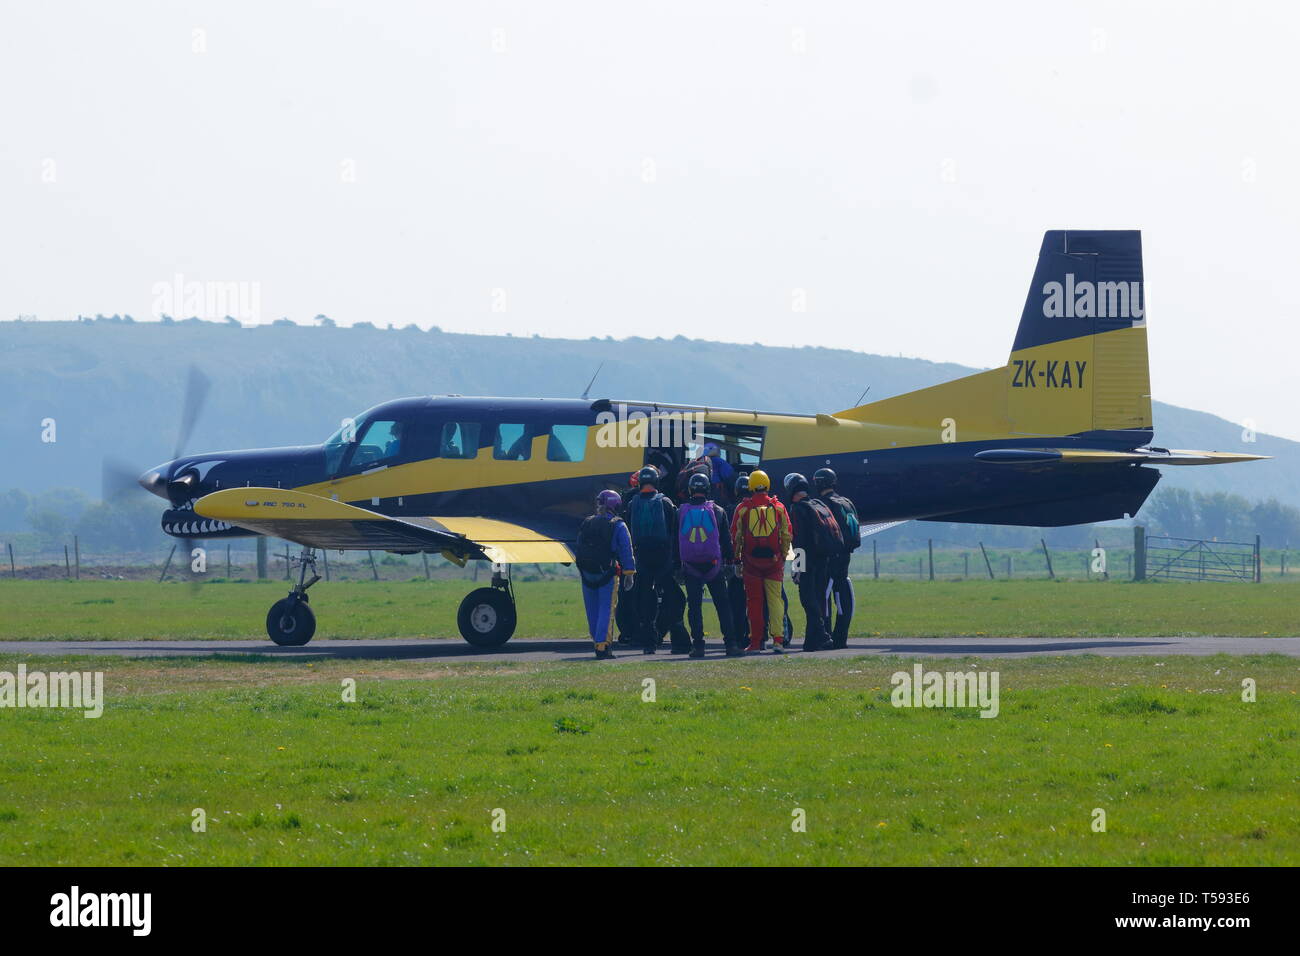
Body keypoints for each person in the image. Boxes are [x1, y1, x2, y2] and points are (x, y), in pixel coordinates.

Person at [624, 465, 688, 654]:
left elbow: (628, 533)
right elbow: (676, 532)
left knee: (646, 599)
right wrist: (677, 561)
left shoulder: (632, 504)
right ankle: (679, 640)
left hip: (642, 559)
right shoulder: (666, 502)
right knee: (676, 598)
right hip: (663, 559)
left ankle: (649, 643)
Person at [678, 472, 742, 658]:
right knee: (723, 606)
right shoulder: (718, 510)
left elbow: (676, 539)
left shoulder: (680, 511)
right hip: (714, 566)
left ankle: (698, 646)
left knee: (695, 607)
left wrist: (677, 565)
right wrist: (730, 561)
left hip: (690, 566)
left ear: (690, 489)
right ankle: (730, 645)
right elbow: (726, 541)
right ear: (707, 488)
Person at [730, 469, 792, 653]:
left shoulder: (742, 508)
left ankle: (756, 642)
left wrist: (737, 558)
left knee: (754, 602)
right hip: (774, 563)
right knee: (775, 601)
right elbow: (787, 534)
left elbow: (736, 536)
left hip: (751, 564)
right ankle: (778, 640)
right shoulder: (778, 507)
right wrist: (781, 555)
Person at [784, 472, 841, 651]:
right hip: (823, 559)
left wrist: (797, 567)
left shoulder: (797, 509)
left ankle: (822, 635)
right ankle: (812, 642)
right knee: (817, 598)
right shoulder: (818, 504)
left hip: (808, 562)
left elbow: (798, 541)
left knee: (807, 599)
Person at [575, 490, 636, 659]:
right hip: (608, 574)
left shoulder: (587, 522)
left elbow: (579, 547)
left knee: (592, 609)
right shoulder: (618, 525)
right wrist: (629, 573)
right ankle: (602, 647)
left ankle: (597, 639)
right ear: (615, 505)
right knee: (606, 610)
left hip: (587, 573)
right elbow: (626, 550)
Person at [814, 467, 861, 648]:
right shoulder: (847, 502)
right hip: (846, 556)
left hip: (830, 557)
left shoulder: (823, 504)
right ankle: (841, 639)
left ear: (818, 483)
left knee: (824, 597)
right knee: (843, 596)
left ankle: (827, 638)